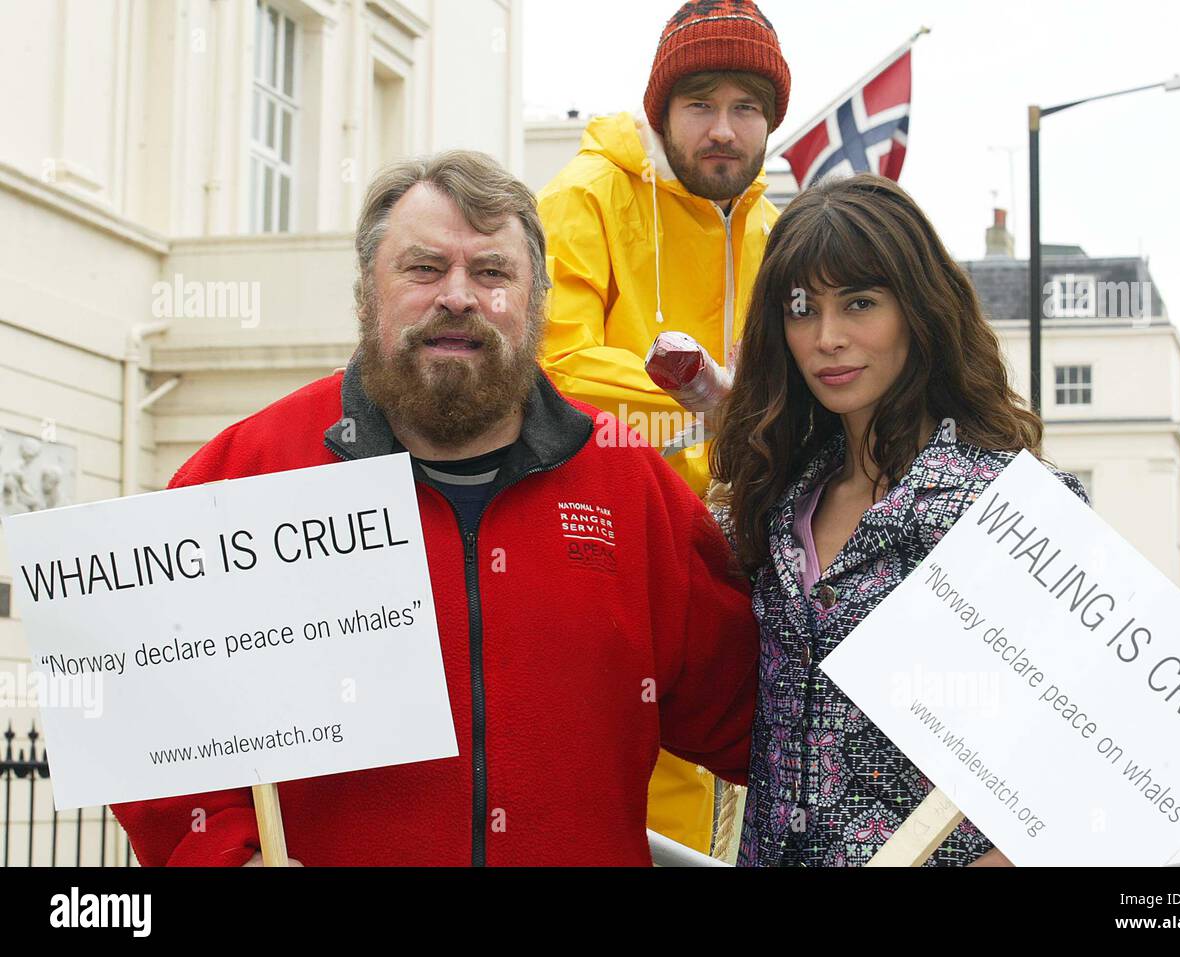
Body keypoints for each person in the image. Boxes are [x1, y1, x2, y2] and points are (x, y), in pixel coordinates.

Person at [110, 151, 758, 866]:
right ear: (367, 291)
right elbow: (148, 711)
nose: (459, 296)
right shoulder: (250, 472)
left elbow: (757, 718)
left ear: (536, 297)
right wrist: (225, 858)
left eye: (491, 272)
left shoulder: (628, 483)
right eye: (424, 268)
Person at [709, 172, 1090, 866]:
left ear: (917, 309)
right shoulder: (772, 500)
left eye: (859, 303)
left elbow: (1094, 750)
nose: (828, 337)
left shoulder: (1003, 506)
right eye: (802, 309)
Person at [536, 0, 788, 853]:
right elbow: (555, 368)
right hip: (616, 541)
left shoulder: (779, 230)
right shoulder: (585, 196)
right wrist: (706, 400)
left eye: (746, 106)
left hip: (744, 551)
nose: (724, 128)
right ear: (660, 108)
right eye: (700, 103)